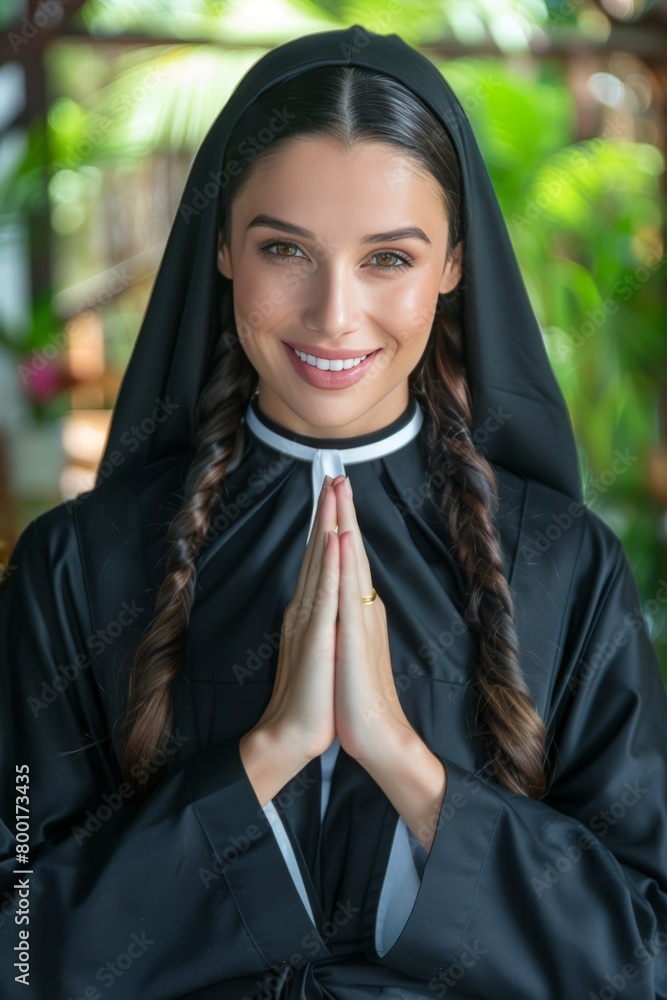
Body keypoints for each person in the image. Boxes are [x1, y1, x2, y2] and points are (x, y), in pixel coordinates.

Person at [1, 22, 666, 1000]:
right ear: (223, 246)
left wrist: (408, 769)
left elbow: (643, 959)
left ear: (452, 267)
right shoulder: (72, 568)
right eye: (286, 249)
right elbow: (14, 947)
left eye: (389, 259)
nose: (334, 316)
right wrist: (263, 760)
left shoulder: (565, 569)